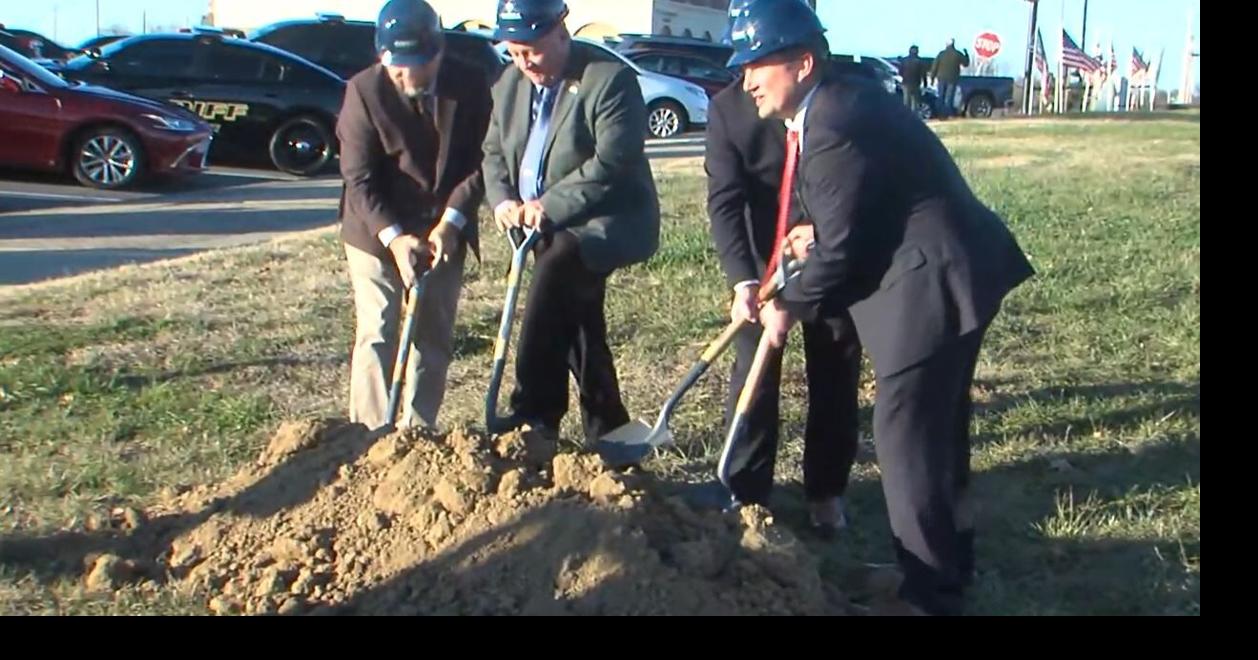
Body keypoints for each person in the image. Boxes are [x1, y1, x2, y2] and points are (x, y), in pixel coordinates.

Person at [726, 0, 1034, 615]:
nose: (747, 80)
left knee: (908, 440)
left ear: (804, 62)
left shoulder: (833, 119)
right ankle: (944, 572)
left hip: (933, 285)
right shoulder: (841, 103)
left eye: (759, 64)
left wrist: (789, 303)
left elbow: (843, 252)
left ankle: (926, 597)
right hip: (955, 269)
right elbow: (872, 200)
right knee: (938, 436)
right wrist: (814, 234)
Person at [705, 0, 861, 536]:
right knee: (754, 361)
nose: (747, 78)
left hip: (827, 240)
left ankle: (826, 492)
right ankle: (745, 493)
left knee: (835, 358)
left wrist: (819, 239)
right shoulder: (728, 110)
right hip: (763, 253)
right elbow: (725, 199)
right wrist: (746, 281)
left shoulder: (841, 96)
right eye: (741, 65)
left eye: (757, 61)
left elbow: (852, 181)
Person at [481, 0, 660, 448]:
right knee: (577, 315)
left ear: (562, 32)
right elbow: (493, 153)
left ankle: (533, 413)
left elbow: (613, 162)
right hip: (537, 224)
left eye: (533, 51)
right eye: (515, 51)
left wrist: (549, 205)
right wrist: (503, 200)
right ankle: (610, 426)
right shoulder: (508, 85)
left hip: (605, 218)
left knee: (554, 277)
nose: (524, 63)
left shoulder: (609, 80)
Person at [336, 0, 492, 432]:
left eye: (415, 65)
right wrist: (395, 238)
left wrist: (451, 222)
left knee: (433, 332)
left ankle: (418, 433)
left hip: (445, 222)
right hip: (375, 226)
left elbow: (484, 163)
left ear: (438, 52)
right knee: (379, 328)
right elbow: (358, 177)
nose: (405, 76)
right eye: (396, 65)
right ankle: (368, 435)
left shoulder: (471, 84)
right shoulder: (364, 92)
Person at [931, 38, 970, 118]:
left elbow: (934, 67)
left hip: (941, 78)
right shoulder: (957, 54)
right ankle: (948, 114)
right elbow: (966, 64)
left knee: (940, 97)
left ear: (946, 44)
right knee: (949, 98)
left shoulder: (941, 54)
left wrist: (932, 78)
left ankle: (939, 114)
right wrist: (966, 54)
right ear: (953, 44)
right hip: (952, 79)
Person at [898, 45, 929, 114]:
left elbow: (900, 72)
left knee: (906, 101)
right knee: (915, 102)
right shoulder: (920, 61)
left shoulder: (904, 60)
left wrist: (904, 77)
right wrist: (925, 84)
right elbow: (923, 74)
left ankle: (906, 115)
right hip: (916, 83)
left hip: (905, 82)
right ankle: (913, 116)